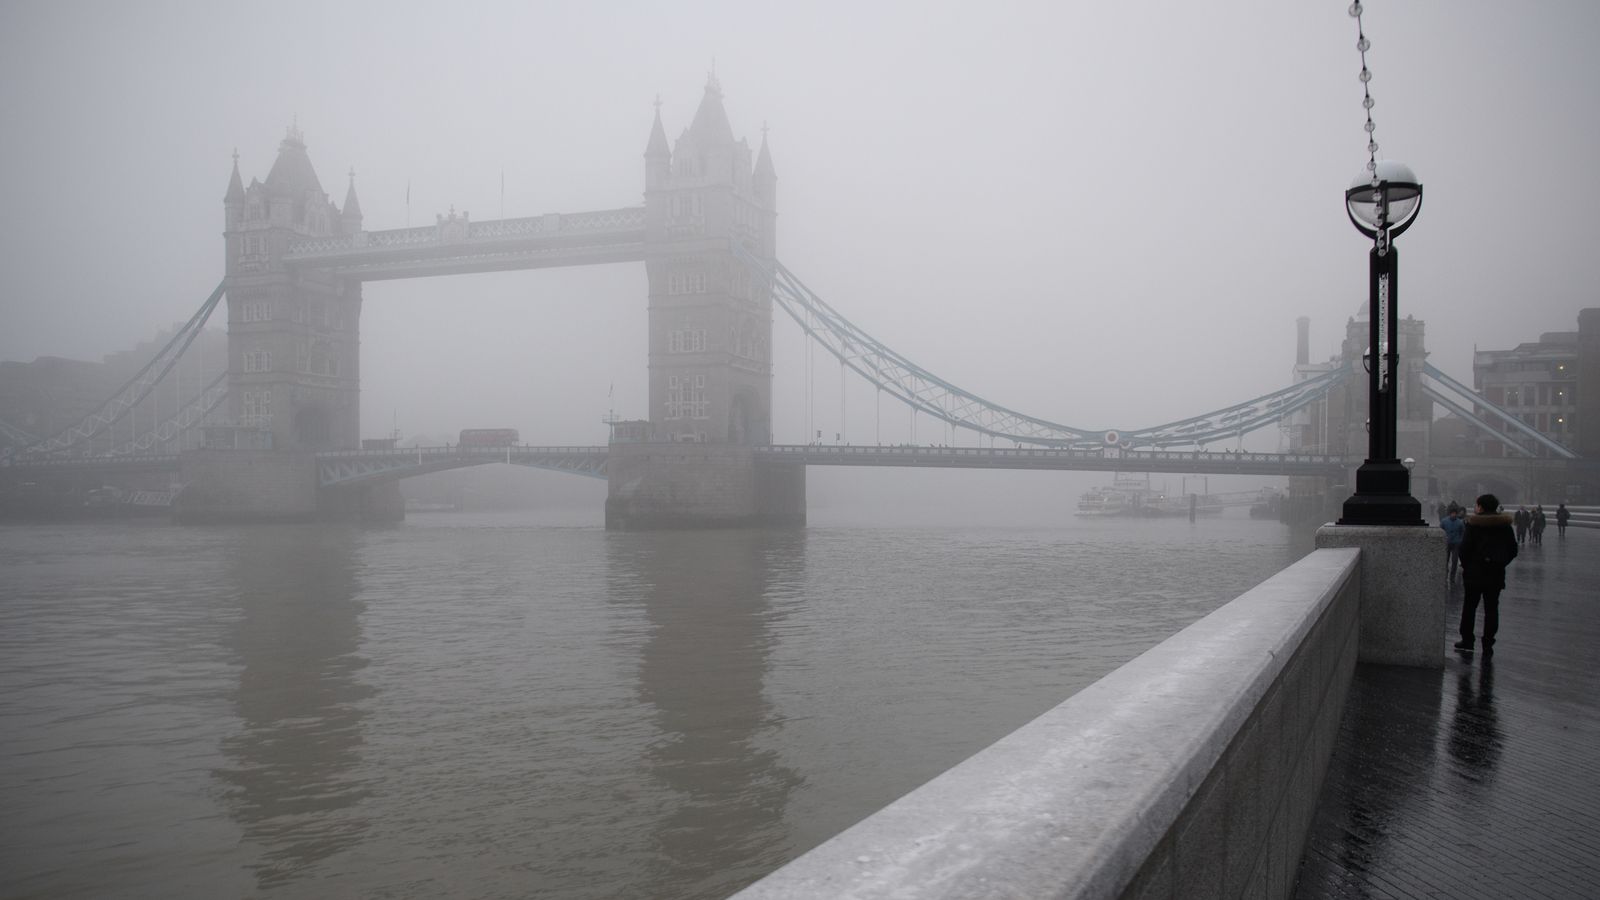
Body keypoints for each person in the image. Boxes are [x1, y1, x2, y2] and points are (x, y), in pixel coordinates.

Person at [1457, 493, 1519, 659]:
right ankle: (1488, 643)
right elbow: (1513, 549)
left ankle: (1467, 640)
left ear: (1481, 507)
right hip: (1495, 574)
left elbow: (1464, 549)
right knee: (1492, 610)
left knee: (1470, 607)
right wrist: (1501, 563)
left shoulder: (1473, 525)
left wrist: (1468, 566)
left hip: (1474, 574)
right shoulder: (1505, 526)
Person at [1440, 505, 1465, 583]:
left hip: (1456, 544)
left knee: (1454, 561)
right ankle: (1445, 574)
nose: (1453, 515)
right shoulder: (1444, 521)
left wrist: (1460, 540)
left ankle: (1452, 577)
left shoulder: (1460, 522)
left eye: (1455, 513)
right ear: (1450, 513)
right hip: (1447, 543)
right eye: (1452, 513)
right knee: (1445, 560)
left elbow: (1463, 532)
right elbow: (1441, 531)